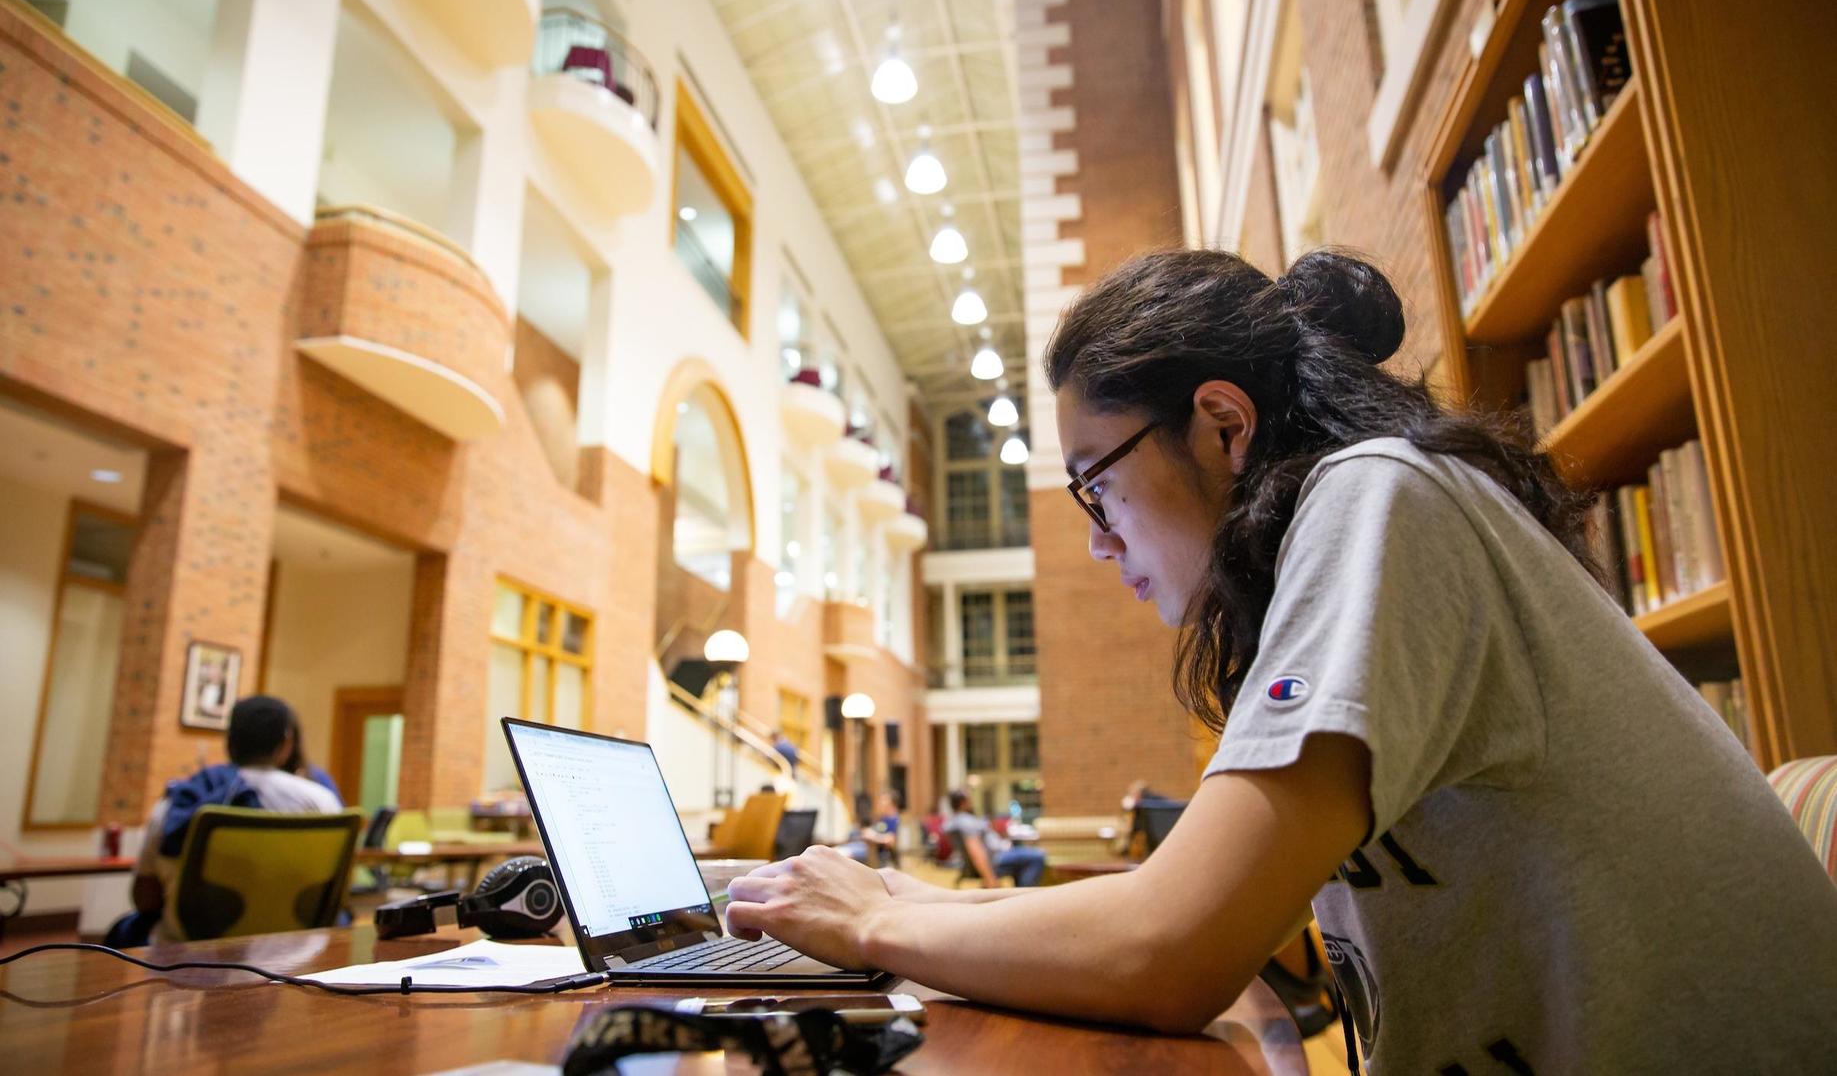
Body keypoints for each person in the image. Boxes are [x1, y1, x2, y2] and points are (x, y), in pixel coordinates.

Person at [722, 249, 1837, 1070]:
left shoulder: (1377, 498)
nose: (1099, 541)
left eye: (1093, 488)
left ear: (1221, 423)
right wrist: (909, 900)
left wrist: (873, 926)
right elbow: (1191, 907)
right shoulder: (1373, 506)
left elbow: (1172, 950)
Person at [118, 695, 342, 945]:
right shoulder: (323, 804)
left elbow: (145, 898)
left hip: (188, 957)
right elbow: (334, 896)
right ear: (286, 743)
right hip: (295, 954)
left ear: (230, 741)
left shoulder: (181, 800)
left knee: (125, 930)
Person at [943, 789, 1046, 888]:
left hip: (996, 856)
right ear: (963, 802)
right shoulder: (965, 821)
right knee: (1037, 856)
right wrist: (989, 878)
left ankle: (1019, 892)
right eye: (969, 799)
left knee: (1024, 855)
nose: (971, 802)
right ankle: (1024, 896)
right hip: (996, 860)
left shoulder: (956, 820)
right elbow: (974, 849)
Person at [841, 791, 902, 867]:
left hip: (876, 853)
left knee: (843, 855)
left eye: (884, 800)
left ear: (892, 804)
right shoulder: (884, 818)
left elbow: (890, 840)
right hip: (867, 847)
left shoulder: (894, 819)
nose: (881, 803)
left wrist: (873, 836)